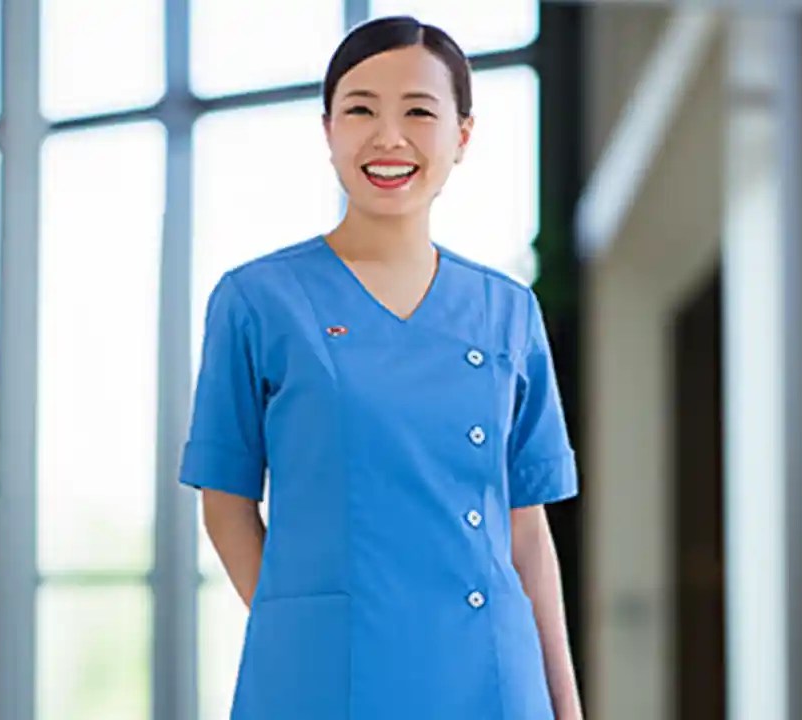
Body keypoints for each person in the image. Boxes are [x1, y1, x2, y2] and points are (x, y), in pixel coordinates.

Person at [178, 15, 582, 720]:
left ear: (462, 135)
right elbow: (226, 506)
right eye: (360, 109)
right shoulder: (257, 300)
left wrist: (567, 708)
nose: (388, 137)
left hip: (489, 672)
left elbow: (527, 533)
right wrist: (304, 634)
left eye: (419, 112)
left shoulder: (508, 311)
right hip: (326, 680)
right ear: (328, 131)